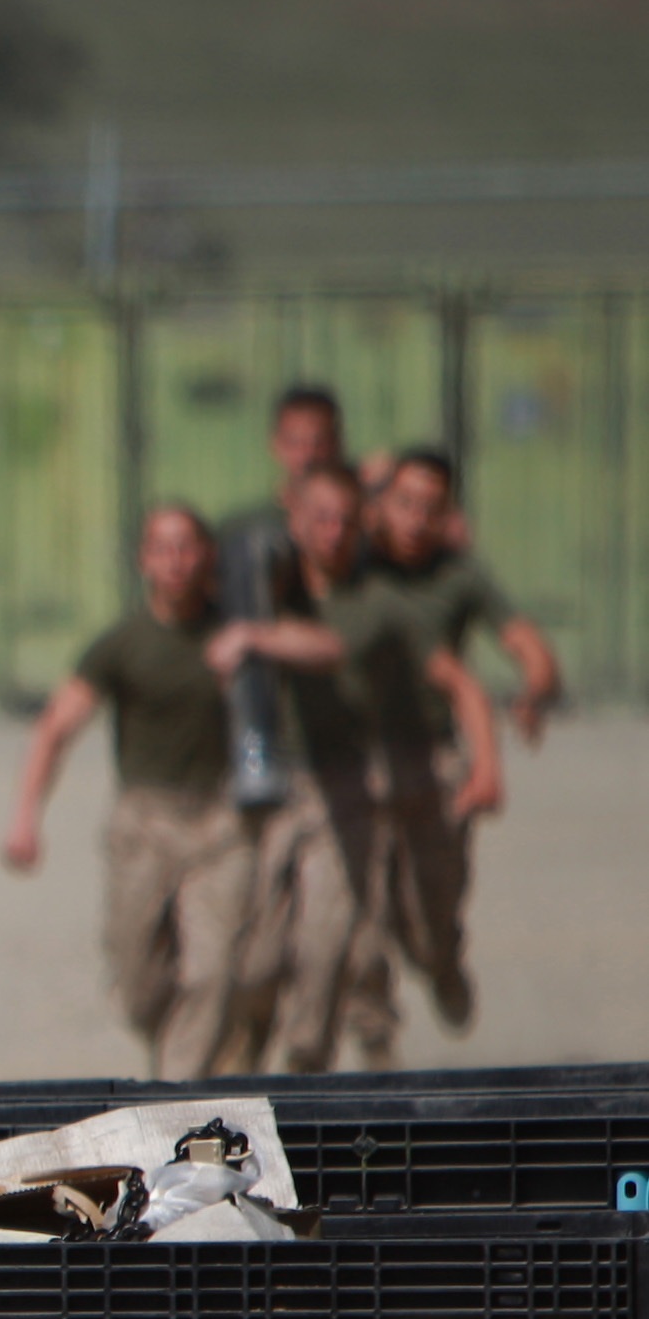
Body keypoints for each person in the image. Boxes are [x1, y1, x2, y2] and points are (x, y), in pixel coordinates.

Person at [231, 460, 503, 1077]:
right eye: (319, 518)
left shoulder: (377, 605)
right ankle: (248, 1048)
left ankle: (312, 1070)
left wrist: (486, 766)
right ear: (293, 521)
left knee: (339, 941)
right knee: (254, 958)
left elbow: (459, 684)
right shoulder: (259, 590)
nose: (332, 532)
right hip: (278, 791)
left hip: (351, 790)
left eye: (345, 521)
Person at [0, 504, 255, 1079]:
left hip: (220, 824)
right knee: (137, 985)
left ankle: (177, 1086)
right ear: (144, 559)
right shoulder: (123, 644)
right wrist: (25, 818)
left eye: (187, 546)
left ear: (207, 556)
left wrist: (254, 655)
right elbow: (55, 729)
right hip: (144, 822)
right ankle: (185, 1042)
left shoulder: (240, 636)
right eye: (162, 548)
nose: (176, 561)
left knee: (210, 971)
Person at [356, 447, 549, 1039]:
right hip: (358, 764)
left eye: (430, 508)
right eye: (404, 503)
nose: (415, 519)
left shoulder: (459, 574)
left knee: (428, 915)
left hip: (434, 763)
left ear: (448, 515)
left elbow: (525, 644)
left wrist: (534, 690)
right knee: (356, 915)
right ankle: (374, 1034)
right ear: (380, 507)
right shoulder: (350, 565)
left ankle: (441, 962)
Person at [211, 383, 349, 817]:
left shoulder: (358, 518)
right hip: (274, 693)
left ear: (338, 445)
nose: (307, 455)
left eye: (319, 442)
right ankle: (256, 742)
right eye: (296, 442)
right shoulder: (248, 527)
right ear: (276, 446)